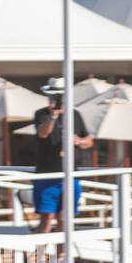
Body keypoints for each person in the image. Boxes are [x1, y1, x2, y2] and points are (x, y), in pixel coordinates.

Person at [31, 77, 93, 235]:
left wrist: (78, 141)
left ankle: (60, 259)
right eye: (52, 96)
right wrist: (53, 116)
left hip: (70, 176)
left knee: (65, 221)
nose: (54, 99)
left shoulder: (75, 115)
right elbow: (42, 133)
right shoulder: (41, 114)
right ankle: (40, 259)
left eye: (57, 96)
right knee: (46, 221)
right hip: (46, 176)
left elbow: (89, 140)